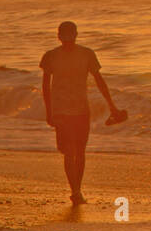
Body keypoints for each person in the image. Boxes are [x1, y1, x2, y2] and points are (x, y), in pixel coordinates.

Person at [40, 20, 119, 204]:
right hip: (61, 110)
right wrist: (49, 111)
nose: (67, 39)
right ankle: (75, 191)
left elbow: (99, 81)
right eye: (64, 35)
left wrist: (112, 105)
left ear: (76, 35)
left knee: (80, 151)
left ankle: (77, 190)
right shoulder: (50, 56)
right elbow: (45, 86)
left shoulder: (87, 54)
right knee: (69, 151)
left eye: (70, 35)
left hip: (81, 109)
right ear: (59, 36)